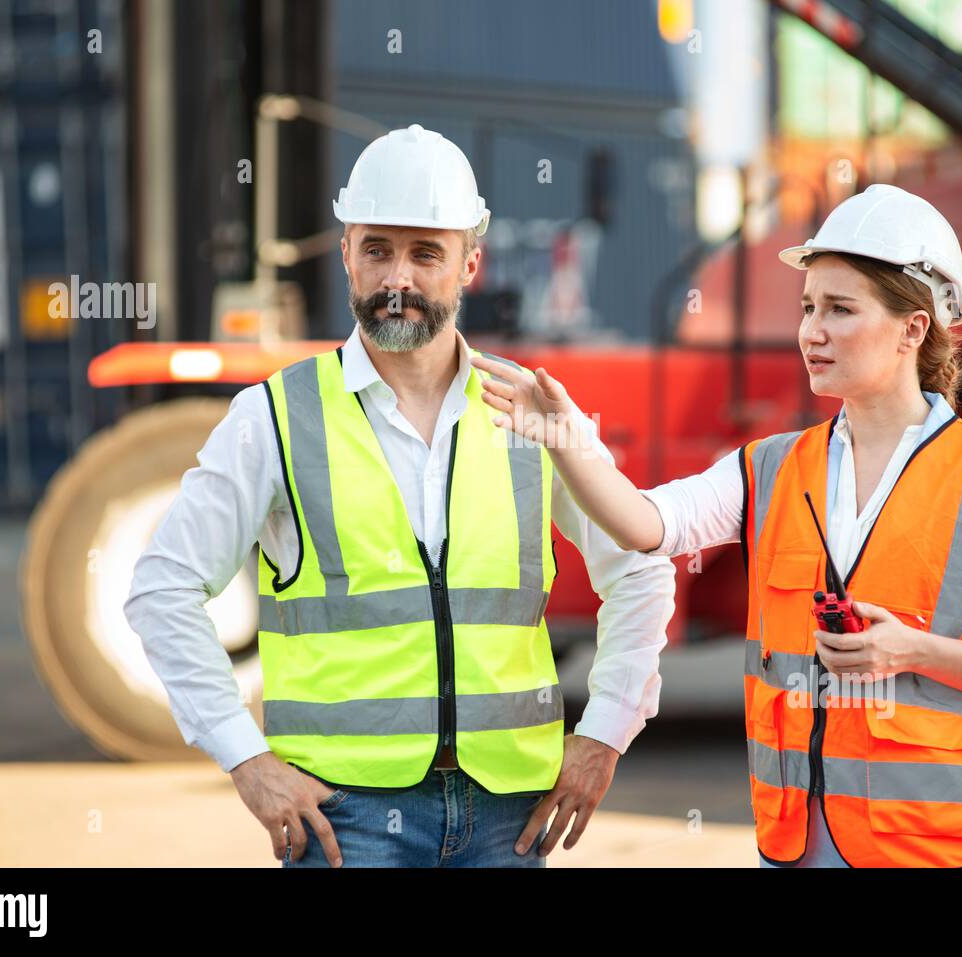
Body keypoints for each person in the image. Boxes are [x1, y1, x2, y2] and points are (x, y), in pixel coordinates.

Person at [475, 183, 962, 868]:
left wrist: (916, 651)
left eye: (839, 309)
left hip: (942, 849)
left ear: (913, 329)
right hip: (794, 848)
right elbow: (646, 524)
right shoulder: (767, 467)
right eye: (806, 307)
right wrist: (566, 437)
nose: (811, 331)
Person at [124, 124, 676, 868]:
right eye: (378, 248)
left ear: (470, 264)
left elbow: (641, 563)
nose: (398, 279)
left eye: (426, 254)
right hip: (344, 819)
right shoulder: (277, 418)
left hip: (506, 818)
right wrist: (245, 760)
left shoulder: (531, 412)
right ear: (346, 251)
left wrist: (605, 732)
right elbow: (163, 586)